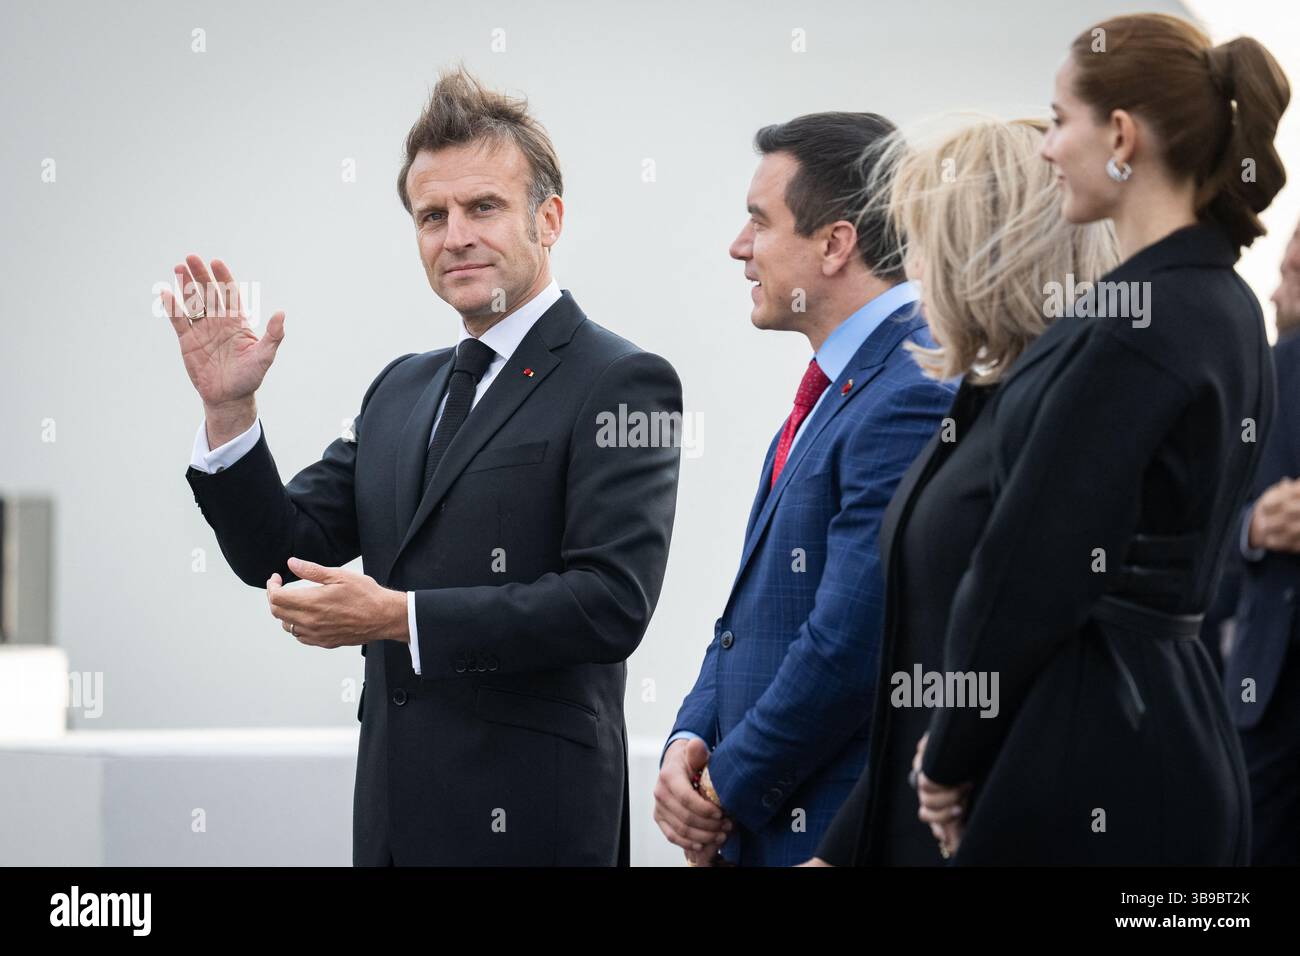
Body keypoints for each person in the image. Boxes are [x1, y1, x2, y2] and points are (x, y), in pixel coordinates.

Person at [163, 66, 683, 865]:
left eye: (483, 207)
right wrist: (230, 413)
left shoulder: (621, 380)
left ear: (549, 219)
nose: (455, 236)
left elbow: (610, 604)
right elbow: (281, 549)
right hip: (394, 823)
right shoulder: (400, 389)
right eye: (430, 215)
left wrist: (401, 619)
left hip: (535, 826)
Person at [815, 11, 1289, 865]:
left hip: (1090, 759)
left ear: (1120, 135)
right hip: (1165, 736)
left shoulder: (1134, 325)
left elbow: (1030, 567)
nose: (1045, 147)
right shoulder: (1221, 304)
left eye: (1060, 119)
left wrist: (951, 755)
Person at [793, 116, 1116, 866]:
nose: (911, 269)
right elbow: (926, 671)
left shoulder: (1060, 412)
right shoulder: (981, 402)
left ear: (987, 251)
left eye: (925, 240)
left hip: (1017, 814)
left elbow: (1025, 648)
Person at [654, 112, 954, 866]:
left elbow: (850, 641)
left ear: (835, 243)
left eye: (759, 221)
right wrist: (690, 736)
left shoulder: (910, 388)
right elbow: (752, 614)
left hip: (823, 831)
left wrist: (724, 787)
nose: (738, 247)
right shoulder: (836, 386)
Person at [1223, 217, 1300, 865]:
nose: (1277, 290)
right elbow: (1197, 530)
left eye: (1294, 272)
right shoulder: (1273, 372)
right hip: (1270, 695)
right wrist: (1253, 528)